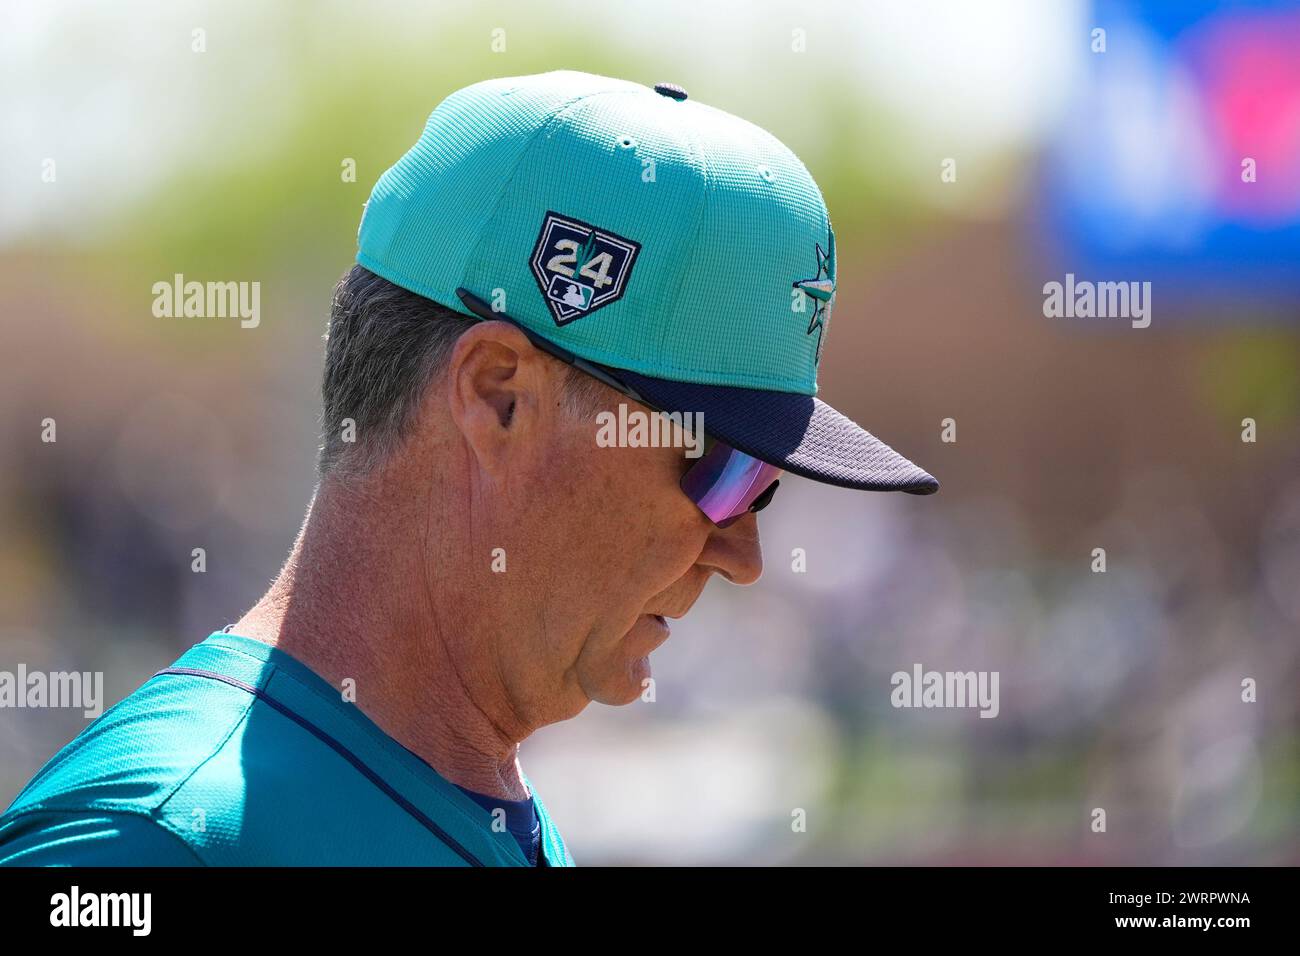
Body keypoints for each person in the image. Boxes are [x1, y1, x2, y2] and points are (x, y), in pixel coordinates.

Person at [0, 70, 936, 866]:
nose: (744, 555)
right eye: (722, 468)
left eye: (765, 488)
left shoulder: (481, 803)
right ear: (498, 397)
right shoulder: (148, 842)